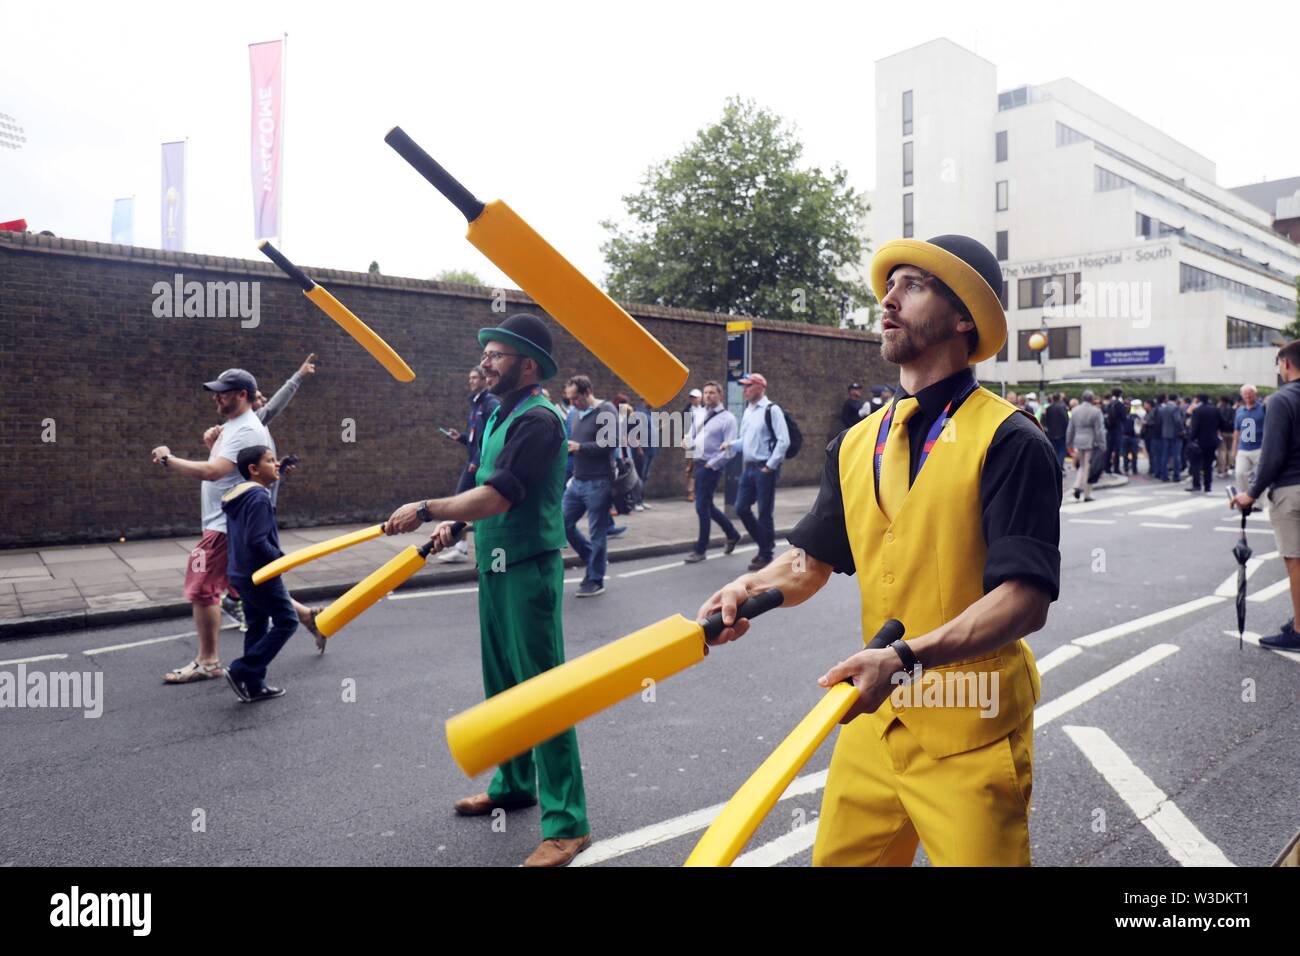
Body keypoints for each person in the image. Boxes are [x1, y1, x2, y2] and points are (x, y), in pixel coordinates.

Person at [698, 233, 1059, 866]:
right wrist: (747, 590)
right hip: (878, 722)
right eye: (889, 286)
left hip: (969, 726)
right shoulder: (858, 440)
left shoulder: (1011, 440)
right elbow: (812, 563)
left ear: (963, 317)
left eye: (913, 286)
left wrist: (903, 657)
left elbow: (1023, 601)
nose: (888, 300)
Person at [383, 312, 591, 866]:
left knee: (544, 694)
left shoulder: (540, 420)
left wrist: (428, 509)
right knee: (502, 683)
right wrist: (460, 521)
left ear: (527, 364)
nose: (486, 361)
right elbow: (485, 493)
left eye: (497, 354)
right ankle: (514, 783)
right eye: (487, 353)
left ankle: (569, 823)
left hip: (528, 568)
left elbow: (499, 493)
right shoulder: (501, 412)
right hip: (494, 564)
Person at [152, 369, 272, 684]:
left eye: (224, 391)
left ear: (243, 394)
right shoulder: (234, 427)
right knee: (251, 586)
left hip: (225, 525)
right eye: (216, 391)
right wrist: (212, 443)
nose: (216, 397)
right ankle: (306, 618)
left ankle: (208, 662)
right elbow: (229, 468)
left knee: (201, 586)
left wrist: (169, 460)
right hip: (226, 523)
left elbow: (214, 472)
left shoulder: (246, 429)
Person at [1233, 342, 1300, 650]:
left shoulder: (1281, 400)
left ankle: (1299, 630)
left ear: (1286, 363)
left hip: (1290, 489)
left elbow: (1272, 456)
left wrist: (1251, 493)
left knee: (1295, 559)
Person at [221, 446, 297, 702]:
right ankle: (241, 669)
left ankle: (255, 685)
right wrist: (280, 559)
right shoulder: (259, 498)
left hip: (240, 573)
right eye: (270, 460)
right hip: (261, 573)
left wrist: (281, 469)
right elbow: (257, 540)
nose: (275, 464)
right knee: (287, 621)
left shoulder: (240, 496)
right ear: (253, 469)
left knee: (257, 624)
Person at [561, 375, 617, 598]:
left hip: (599, 482)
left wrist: (581, 447)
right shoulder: (573, 414)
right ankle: (595, 558)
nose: (572, 403)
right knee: (562, 524)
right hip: (577, 481)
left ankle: (595, 579)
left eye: (575, 398)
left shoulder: (606, 410)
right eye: (569, 399)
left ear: (587, 393)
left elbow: (611, 442)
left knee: (597, 533)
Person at [438, 365, 500, 564]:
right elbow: (476, 437)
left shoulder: (491, 403)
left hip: (480, 464)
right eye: (470, 378)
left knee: (463, 504)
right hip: (474, 462)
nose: (471, 381)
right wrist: (461, 438)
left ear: (483, 379)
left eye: (474, 378)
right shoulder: (476, 403)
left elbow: (492, 436)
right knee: (468, 506)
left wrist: (476, 460)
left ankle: (463, 548)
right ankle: (462, 547)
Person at [732, 372, 788, 571]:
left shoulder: (772, 410)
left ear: (760, 387)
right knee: (740, 508)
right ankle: (766, 544)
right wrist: (730, 444)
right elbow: (745, 441)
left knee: (765, 512)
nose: (744, 390)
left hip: (765, 468)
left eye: (748, 385)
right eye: (744, 386)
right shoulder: (748, 411)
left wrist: (770, 466)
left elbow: (784, 440)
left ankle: (766, 554)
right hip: (749, 468)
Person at [684, 380, 740, 563]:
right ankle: (732, 534)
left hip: (711, 467)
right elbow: (691, 436)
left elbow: (730, 449)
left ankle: (700, 549)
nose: (708, 395)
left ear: (720, 396)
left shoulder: (728, 418)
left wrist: (712, 464)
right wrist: (687, 446)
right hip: (698, 463)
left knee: (701, 506)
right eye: (706, 392)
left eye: (712, 393)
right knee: (707, 505)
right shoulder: (699, 414)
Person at [1065, 389, 1105, 501]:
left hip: (1078, 440)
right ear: (1092, 399)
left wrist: (1068, 443)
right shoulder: (1096, 411)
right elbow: (1099, 430)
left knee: (1082, 465)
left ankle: (1077, 486)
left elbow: (1070, 429)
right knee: (1088, 467)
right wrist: (1102, 444)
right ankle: (1086, 492)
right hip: (1091, 441)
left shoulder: (1075, 410)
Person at [1234, 384, 1266, 497]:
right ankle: (1245, 496)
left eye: (1250, 393)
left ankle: (1257, 501)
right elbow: (1237, 431)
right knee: (1240, 473)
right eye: (1245, 394)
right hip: (1243, 448)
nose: (1247, 396)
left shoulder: (1263, 409)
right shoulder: (1239, 411)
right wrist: (1234, 449)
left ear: (1255, 394)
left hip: (1259, 447)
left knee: (1258, 476)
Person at [1186, 393, 1221, 493]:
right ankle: (1208, 485)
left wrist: (1191, 439)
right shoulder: (1215, 409)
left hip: (1199, 442)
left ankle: (1196, 484)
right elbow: (1222, 423)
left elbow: (1195, 427)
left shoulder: (1197, 411)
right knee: (1208, 465)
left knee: (1196, 464)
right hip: (1212, 440)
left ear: (1198, 400)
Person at [682, 388, 705, 501]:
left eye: (695, 397)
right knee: (690, 467)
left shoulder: (705, 410)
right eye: (691, 397)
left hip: (702, 442)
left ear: (700, 398)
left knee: (700, 466)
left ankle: (698, 490)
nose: (693, 399)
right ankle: (690, 492)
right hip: (690, 441)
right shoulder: (686, 411)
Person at [1042, 392, 1069, 471]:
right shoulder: (1062, 407)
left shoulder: (1049, 408)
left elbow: (1045, 421)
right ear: (1060, 398)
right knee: (1062, 450)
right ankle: (1059, 465)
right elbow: (1065, 420)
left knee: (1055, 450)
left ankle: (1056, 465)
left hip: (1051, 433)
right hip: (1061, 433)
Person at [1103, 388, 1126, 475]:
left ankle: (1107, 467)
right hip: (1117, 429)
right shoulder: (1119, 404)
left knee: (1109, 449)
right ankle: (1116, 468)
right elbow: (1124, 417)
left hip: (1109, 429)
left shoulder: (1109, 404)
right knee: (1117, 450)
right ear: (1120, 394)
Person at [1216, 395, 1236, 478]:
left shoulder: (1219, 409)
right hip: (1231, 432)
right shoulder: (1232, 409)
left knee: (1222, 451)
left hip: (1222, 432)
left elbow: (1218, 421)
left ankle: (1222, 469)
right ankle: (1229, 467)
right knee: (1230, 450)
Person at [1122, 398, 1143, 475]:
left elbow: (1139, 424)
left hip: (1133, 436)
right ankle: (1126, 468)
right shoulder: (1123, 415)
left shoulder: (1135, 415)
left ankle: (1134, 469)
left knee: (1134, 454)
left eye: (1128, 405)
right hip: (1125, 435)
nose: (1127, 406)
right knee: (1125, 454)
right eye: (1125, 405)